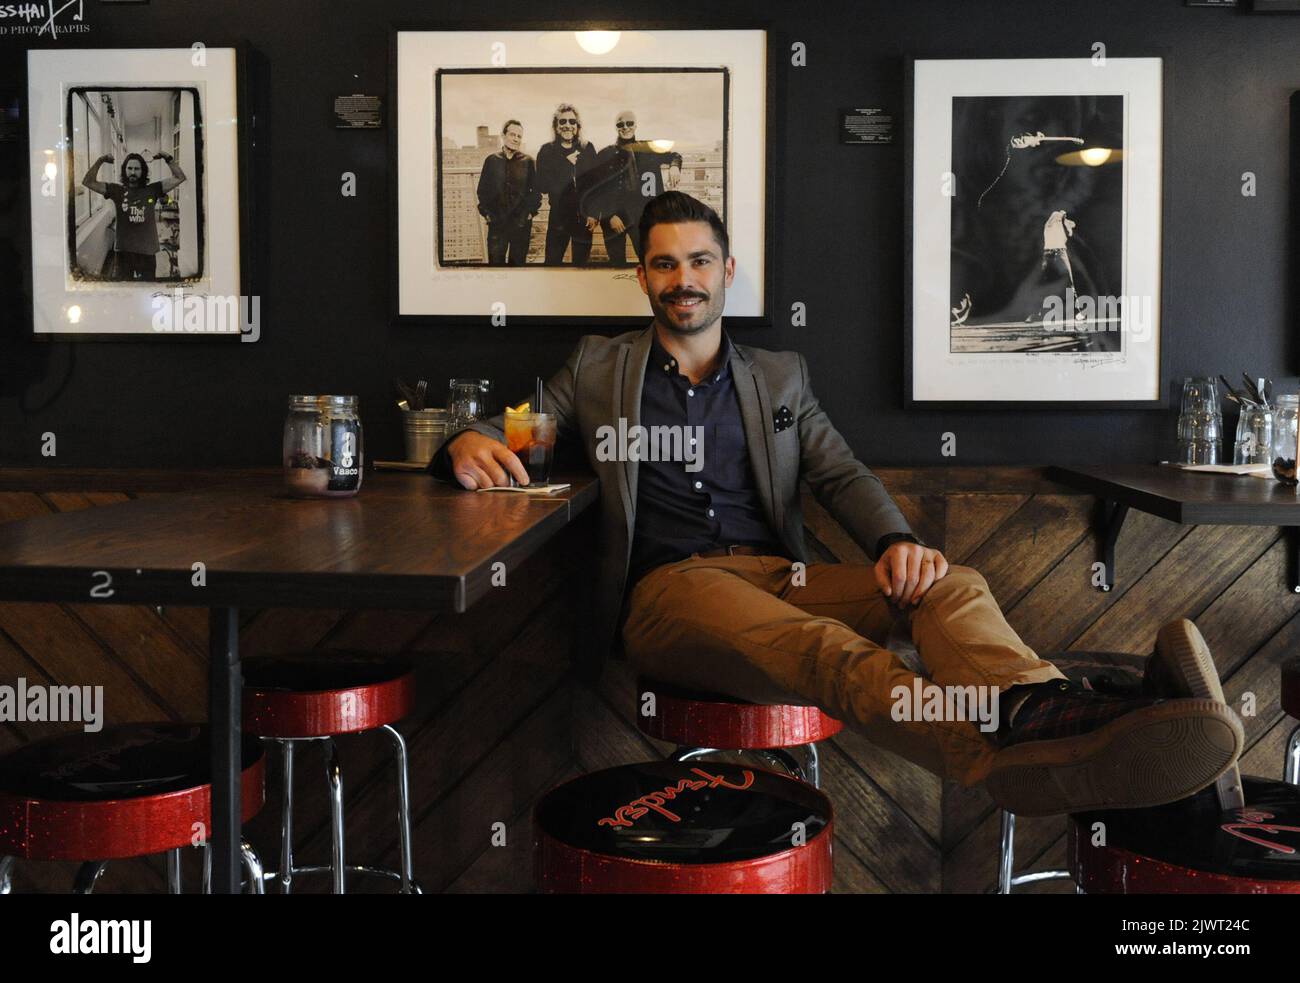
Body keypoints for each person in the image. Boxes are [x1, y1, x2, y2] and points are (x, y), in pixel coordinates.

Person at [428, 191, 1244, 817]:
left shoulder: (779, 377)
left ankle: (1044, 715)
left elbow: (840, 472)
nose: (685, 280)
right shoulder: (598, 367)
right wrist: (463, 440)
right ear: (642, 274)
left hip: (780, 575)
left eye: (701, 261)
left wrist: (895, 540)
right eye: (666, 264)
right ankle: (1019, 753)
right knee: (829, 652)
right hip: (670, 592)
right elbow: (520, 424)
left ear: (727, 271)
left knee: (949, 584)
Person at [583, 110, 683, 264]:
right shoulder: (605, 154)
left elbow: (675, 155)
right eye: (620, 124)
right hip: (614, 219)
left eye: (629, 123)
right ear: (616, 128)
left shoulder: (648, 148)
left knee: (647, 261)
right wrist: (609, 216)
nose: (625, 127)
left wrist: (674, 167)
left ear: (635, 126)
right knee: (617, 264)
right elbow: (597, 189)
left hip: (640, 217)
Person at [81, 150, 187, 280]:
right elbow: (88, 182)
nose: (132, 172)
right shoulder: (116, 190)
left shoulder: (153, 189)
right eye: (129, 168)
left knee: (146, 291)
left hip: (147, 252)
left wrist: (167, 156)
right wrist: (101, 160)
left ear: (143, 171)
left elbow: (179, 177)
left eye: (137, 169)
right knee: (125, 293)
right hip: (124, 252)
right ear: (124, 170)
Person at [535, 103, 597, 266]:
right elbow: (542, 185)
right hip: (559, 216)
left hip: (583, 216)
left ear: (577, 126)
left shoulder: (587, 148)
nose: (567, 125)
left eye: (571, 121)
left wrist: (594, 213)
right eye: (562, 122)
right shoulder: (546, 151)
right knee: (552, 263)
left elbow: (596, 183)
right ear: (556, 126)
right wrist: (564, 164)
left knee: (581, 265)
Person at [476, 119, 542, 266]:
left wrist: (529, 213)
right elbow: (482, 191)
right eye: (513, 134)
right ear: (503, 135)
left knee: (518, 266)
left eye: (519, 136)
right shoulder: (491, 161)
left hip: (521, 225)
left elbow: (536, 193)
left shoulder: (529, 162)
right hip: (497, 225)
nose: (516, 139)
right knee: (495, 265)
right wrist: (487, 214)